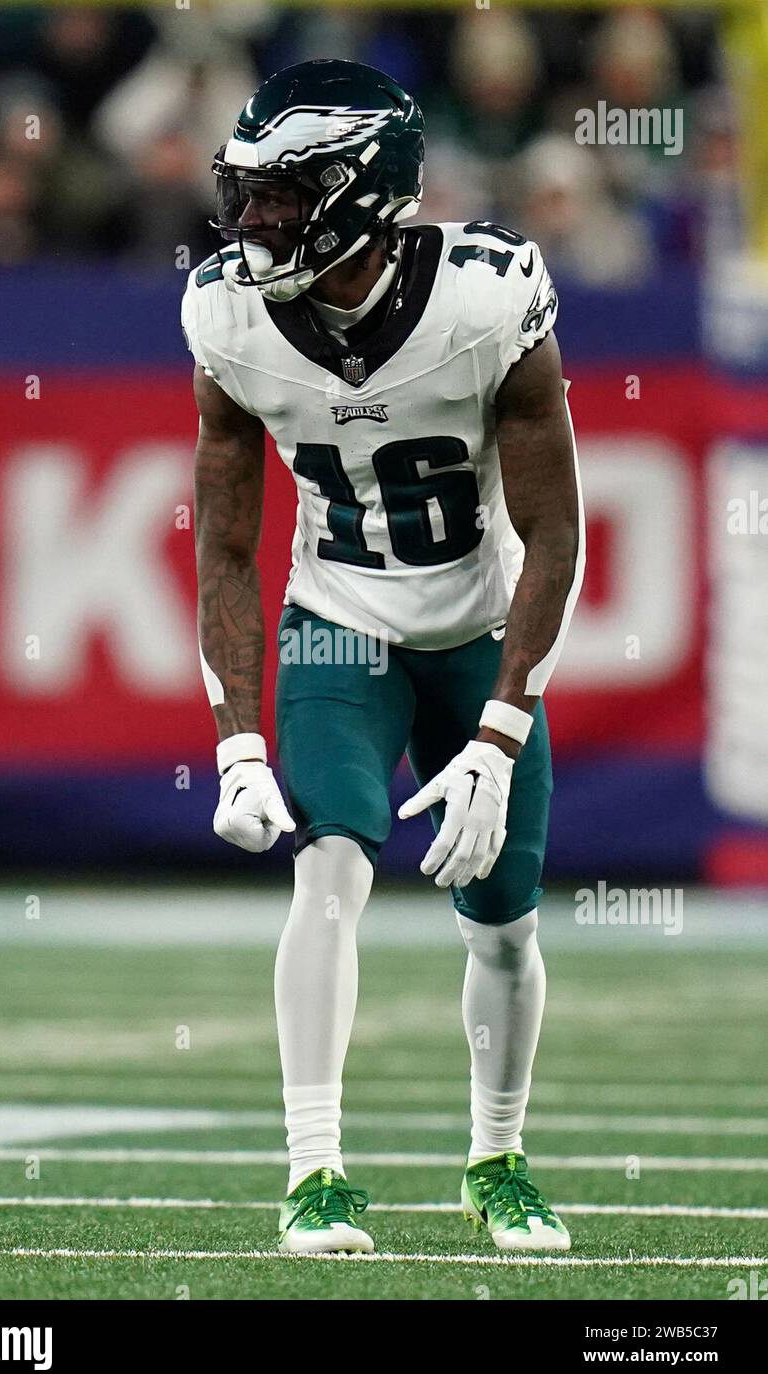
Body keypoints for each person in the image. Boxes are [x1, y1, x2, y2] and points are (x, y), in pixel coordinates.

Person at [184, 59, 584, 1255]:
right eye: (247, 193)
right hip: (337, 621)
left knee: (503, 920)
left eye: (285, 193)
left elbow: (557, 531)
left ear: (367, 190)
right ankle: (314, 1172)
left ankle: (497, 1157)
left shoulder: (487, 295)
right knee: (331, 868)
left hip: (475, 623)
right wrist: (236, 739)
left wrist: (502, 732)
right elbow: (225, 540)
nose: (256, 220)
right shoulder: (227, 315)